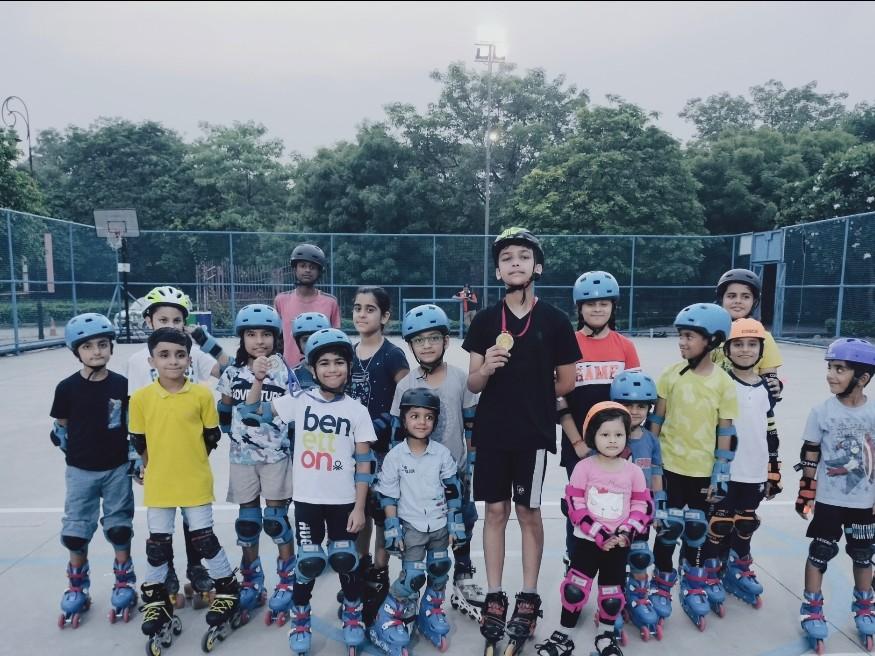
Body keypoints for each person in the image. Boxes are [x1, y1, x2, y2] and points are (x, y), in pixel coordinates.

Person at [463, 227, 580, 651]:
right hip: (493, 432)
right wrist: (487, 367)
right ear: (498, 271)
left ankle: (528, 596)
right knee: (495, 511)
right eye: (507, 258)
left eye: (523, 256)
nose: (515, 263)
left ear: (537, 267)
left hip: (532, 433)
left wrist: (533, 394)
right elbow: (473, 384)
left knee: (529, 511)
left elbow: (567, 381)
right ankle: (496, 594)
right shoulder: (484, 321)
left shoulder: (555, 321)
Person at [245, 328, 376, 655]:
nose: (333, 369)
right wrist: (258, 380)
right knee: (308, 563)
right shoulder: (300, 401)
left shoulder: (356, 410)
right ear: (313, 370)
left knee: (346, 561)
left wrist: (360, 507)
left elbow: (364, 463)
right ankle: (300, 619)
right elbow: (251, 413)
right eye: (325, 363)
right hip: (308, 501)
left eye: (339, 362)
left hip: (344, 502)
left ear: (348, 366)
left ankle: (353, 615)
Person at [129, 328, 240, 651]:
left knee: (204, 539)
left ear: (189, 360)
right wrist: (155, 468)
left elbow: (211, 436)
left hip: (194, 480)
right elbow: (140, 441)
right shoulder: (141, 399)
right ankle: (156, 598)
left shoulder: (202, 395)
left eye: (180, 355)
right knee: (158, 545)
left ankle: (228, 589)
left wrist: (189, 461)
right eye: (164, 355)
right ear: (152, 361)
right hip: (159, 484)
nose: (173, 361)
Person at [126, 284, 230, 608]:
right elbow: (133, 411)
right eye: (163, 320)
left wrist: (205, 340)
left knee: (193, 522)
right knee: (161, 526)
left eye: (177, 320)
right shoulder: (138, 360)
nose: (170, 325)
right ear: (149, 321)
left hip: (189, 454)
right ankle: (167, 572)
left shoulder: (192, 353)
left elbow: (227, 368)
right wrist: (138, 458)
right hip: (158, 456)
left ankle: (196, 567)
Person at [648, 303, 737, 631]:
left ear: (712, 340)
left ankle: (692, 581)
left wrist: (721, 472)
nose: (682, 342)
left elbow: (725, 430)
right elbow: (656, 421)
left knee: (697, 531)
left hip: (702, 472)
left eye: (689, 336)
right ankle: (660, 582)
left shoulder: (723, 383)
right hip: (669, 468)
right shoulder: (671, 375)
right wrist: (650, 463)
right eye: (681, 336)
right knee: (667, 528)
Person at [394, 304, 483, 622]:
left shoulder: (460, 379)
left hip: (455, 470)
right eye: (419, 340)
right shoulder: (405, 385)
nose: (427, 345)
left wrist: (471, 465)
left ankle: (463, 573)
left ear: (446, 341)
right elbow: (397, 434)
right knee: (418, 529)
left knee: (463, 522)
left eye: (433, 338)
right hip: (418, 475)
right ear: (411, 346)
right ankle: (412, 581)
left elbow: (471, 425)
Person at [51, 313, 136, 628]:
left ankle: (124, 581)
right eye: (87, 346)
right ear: (77, 351)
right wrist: (72, 449)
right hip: (80, 470)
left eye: (102, 344)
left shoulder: (122, 385)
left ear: (111, 347)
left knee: (119, 528)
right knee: (75, 532)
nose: (96, 351)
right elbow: (61, 428)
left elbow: (132, 425)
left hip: (116, 468)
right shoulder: (66, 388)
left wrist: (135, 457)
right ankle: (77, 586)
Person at [216, 304, 299, 625]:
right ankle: (251, 579)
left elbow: (295, 415)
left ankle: (287, 579)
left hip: (275, 456)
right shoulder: (232, 373)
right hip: (242, 458)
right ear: (242, 338)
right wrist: (235, 436)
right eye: (252, 334)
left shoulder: (285, 373)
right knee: (247, 523)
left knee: (276, 521)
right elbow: (224, 410)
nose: (259, 340)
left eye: (266, 334)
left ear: (276, 338)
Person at [371, 388, 468, 654]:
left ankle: (430, 610)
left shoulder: (441, 454)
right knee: (412, 577)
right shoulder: (395, 457)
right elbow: (388, 496)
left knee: (439, 570)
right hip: (411, 527)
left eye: (428, 417)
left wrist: (455, 522)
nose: (422, 422)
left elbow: (453, 490)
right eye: (415, 416)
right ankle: (387, 616)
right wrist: (392, 527)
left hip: (439, 526)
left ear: (435, 421)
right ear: (404, 419)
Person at [797, 338, 875, 654]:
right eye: (830, 367)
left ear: (862, 378)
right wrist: (806, 490)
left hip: (863, 503)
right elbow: (810, 451)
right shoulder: (822, 412)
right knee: (820, 552)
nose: (830, 374)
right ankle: (812, 607)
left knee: (863, 555)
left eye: (840, 369)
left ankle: (865, 606)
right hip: (829, 501)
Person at [557, 270, 640, 564]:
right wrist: (577, 443)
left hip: (617, 443)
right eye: (590, 304)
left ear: (613, 307)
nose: (597, 309)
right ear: (579, 308)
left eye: (603, 303)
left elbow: (635, 402)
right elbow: (560, 401)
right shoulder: (567, 344)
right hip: (578, 444)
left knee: (617, 502)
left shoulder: (625, 346)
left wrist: (627, 442)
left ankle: (613, 561)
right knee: (578, 504)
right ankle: (575, 558)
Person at [561, 402, 652, 656]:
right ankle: (563, 634)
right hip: (588, 542)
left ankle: (606, 636)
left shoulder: (634, 472)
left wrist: (626, 532)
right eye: (605, 434)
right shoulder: (584, 468)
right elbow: (575, 505)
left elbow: (642, 506)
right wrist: (599, 533)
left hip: (618, 544)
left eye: (618, 434)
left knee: (611, 596)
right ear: (592, 436)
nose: (612, 440)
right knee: (574, 589)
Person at [703, 318, 779, 614]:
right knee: (718, 524)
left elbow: (770, 429)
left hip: (755, 470)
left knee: (746, 524)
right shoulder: (721, 384)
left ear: (761, 350)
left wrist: (773, 468)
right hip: (726, 471)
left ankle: (738, 568)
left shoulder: (767, 388)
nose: (745, 350)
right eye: (738, 344)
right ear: (727, 350)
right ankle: (709, 572)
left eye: (752, 344)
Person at [346, 286, 410, 625]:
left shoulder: (393, 355)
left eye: (370, 309)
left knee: (381, 512)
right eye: (357, 308)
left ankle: (380, 572)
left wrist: (387, 425)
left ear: (385, 316)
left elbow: (406, 396)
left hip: (383, 451)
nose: (361, 314)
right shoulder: (347, 352)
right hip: (352, 451)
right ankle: (360, 566)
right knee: (359, 512)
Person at [608, 370, 664, 640]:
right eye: (628, 405)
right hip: (614, 514)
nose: (634, 411)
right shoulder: (609, 438)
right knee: (615, 559)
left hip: (641, 513)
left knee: (640, 556)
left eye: (641, 405)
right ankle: (613, 599)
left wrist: (659, 506)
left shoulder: (650, 440)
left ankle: (639, 596)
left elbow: (656, 474)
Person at [274, 243, 341, 367]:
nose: (307, 270)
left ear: (319, 271)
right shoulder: (281, 300)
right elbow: (276, 339)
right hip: (289, 369)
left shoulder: (330, 302)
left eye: (312, 267)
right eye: (302, 266)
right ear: (295, 269)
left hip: (320, 369)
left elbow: (336, 341)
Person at [290, 311, 331, 389]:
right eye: (305, 340)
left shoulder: (338, 372)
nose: (311, 344)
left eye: (317, 338)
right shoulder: (292, 375)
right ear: (298, 343)